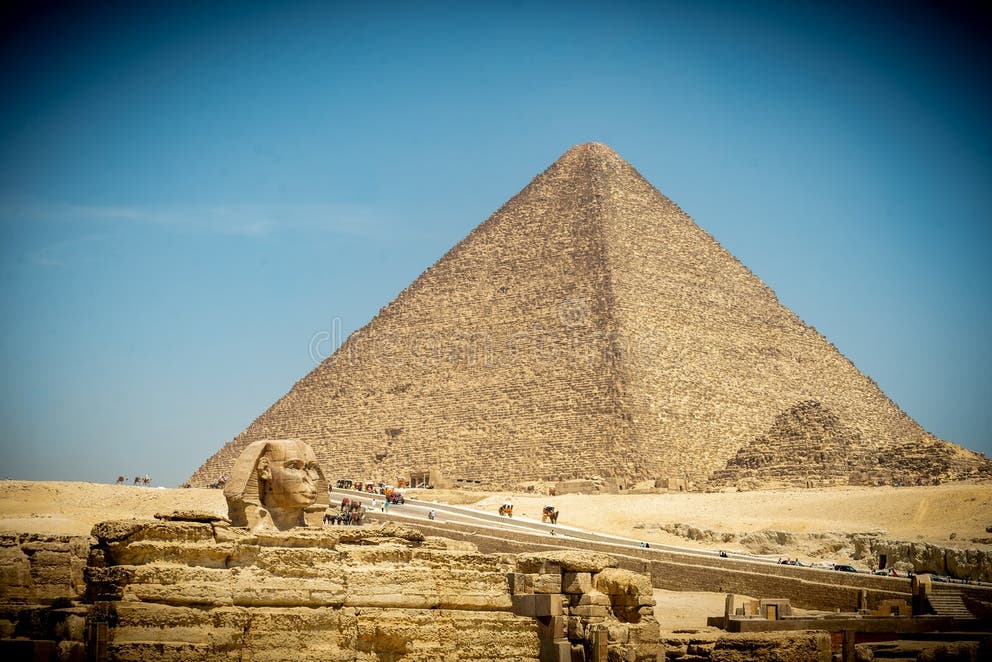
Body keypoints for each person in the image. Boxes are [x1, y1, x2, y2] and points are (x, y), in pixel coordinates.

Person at [223, 439, 327, 531]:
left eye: (312, 468)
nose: (308, 477)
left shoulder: (322, 536)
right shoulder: (232, 537)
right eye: (293, 466)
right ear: (265, 470)